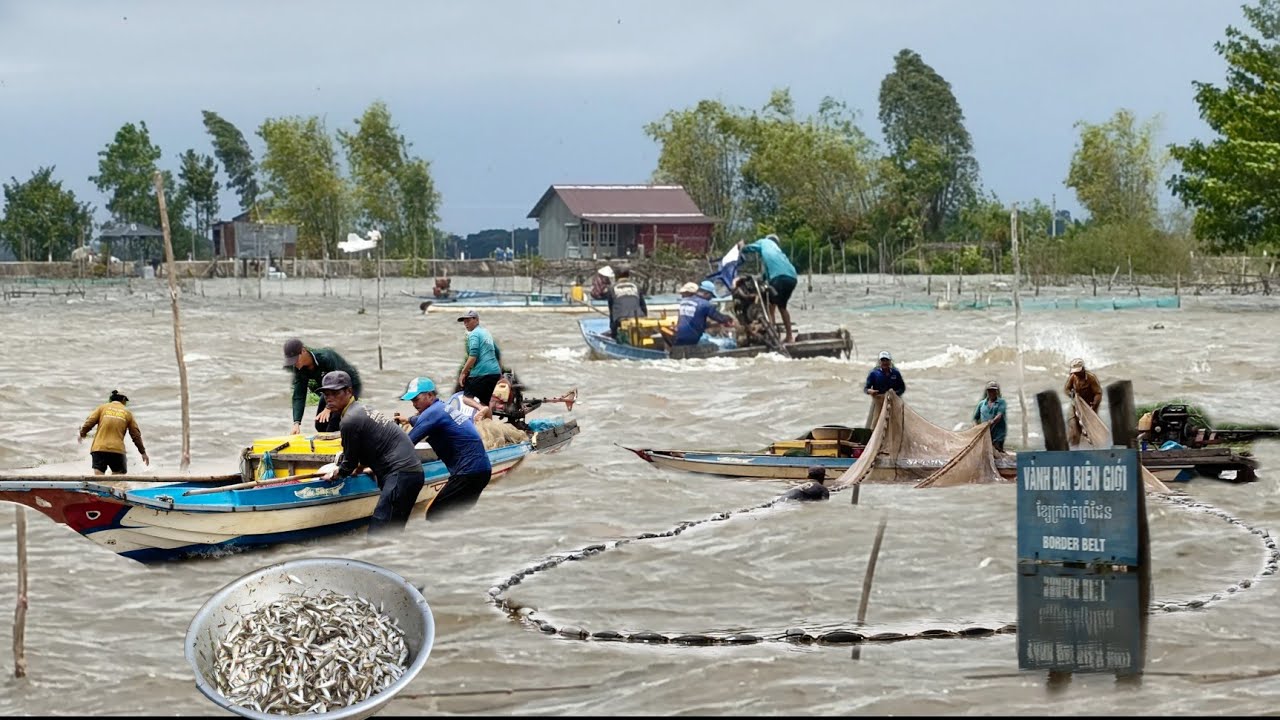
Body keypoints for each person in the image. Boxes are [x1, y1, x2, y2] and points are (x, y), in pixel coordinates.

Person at [316, 371, 424, 535]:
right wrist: (359, 468)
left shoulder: (349, 420)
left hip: (400, 474)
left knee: (378, 533)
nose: (329, 398)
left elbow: (349, 462)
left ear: (349, 392)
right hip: (409, 473)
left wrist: (335, 474)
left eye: (335, 393)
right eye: (326, 394)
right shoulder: (361, 409)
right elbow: (368, 449)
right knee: (392, 532)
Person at [399, 376, 494, 519]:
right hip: (483, 470)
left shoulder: (433, 413)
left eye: (416, 399)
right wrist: (408, 419)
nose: (413, 404)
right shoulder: (443, 408)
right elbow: (423, 421)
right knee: (458, 516)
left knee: (433, 515)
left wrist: (374, 464)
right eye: (412, 400)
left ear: (430, 395)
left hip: (467, 474)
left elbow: (407, 444)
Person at [284, 338, 362, 435]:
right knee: (320, 425)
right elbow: (299, 395)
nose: (294, 363)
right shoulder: (299, 369)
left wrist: (328, 408)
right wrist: (296, 423)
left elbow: (341, 384)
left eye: (296, 359)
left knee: (333, 426)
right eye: (291, 361)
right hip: (329, 392)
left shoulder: (326, 357)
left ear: (303, 350)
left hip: (347, 389)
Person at [738, 234, 799, 343]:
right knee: (782, 307)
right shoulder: (778, 252)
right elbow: (766, 274)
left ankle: (773, 336)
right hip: (792, 277)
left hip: (779, 277)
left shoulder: (764, 242)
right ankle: (789, 337)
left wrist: (742, 246)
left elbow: (750, 248)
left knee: (770, 306)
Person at [78, 390, 149, 475]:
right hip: (117, 451)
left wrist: (82, 434)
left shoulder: (102, 408)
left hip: (99, 449)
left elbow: (89, 423)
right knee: (119, 481)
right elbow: (135, 435)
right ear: (123, 399)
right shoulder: (127, 413)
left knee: (99, 479)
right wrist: (143, 452)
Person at [457, 309, 504, 404]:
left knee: (466, 398)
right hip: (494, 373)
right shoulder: (486, 333)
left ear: (477, 320)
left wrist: (463, 372)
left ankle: (480, 410)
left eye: (468, 320)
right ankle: (487, 417)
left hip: (482, 373)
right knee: (485, 403)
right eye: (464, 322)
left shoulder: (473, 334)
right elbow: (497, 352)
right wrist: (499, 371)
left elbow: (473, 356)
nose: (466, 324)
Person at [670, 280, 735, 346]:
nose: (710, 299)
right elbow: (719, 317)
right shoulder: (704, 304)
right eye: (711, 296)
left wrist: (712, 324)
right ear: (706, 293)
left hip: (679, 337)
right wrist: (728, 319)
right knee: (728, 344)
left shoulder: (684, 301)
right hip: (693, 338)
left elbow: (692, 322)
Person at [1064, 358, 1103, 446]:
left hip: (1089, 406)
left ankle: (1091, 446)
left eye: (1078, 372)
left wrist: (1094, 404)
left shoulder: (1091, 378)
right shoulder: (1073, 377)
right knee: (1073, 427)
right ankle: (1073, 447)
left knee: (1090, 430)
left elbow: (1098, 393)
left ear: (1083, 369)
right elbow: (1067, 389)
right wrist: (1071, 394)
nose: (1076, 374)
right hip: (1076, 404)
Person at [606, 265, 647, 341]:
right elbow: (643, 307)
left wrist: (613, 332)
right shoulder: (636, 286)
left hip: (620, 320)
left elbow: (612, 312)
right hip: (639, 318)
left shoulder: (611, 288)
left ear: (616, 276)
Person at [973, 381, 1009, 453]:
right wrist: (977, 428)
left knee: (997, 451)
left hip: (998, 435)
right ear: (987, 392)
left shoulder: (1001, 402)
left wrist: (990, 423)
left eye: (993, 390)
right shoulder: (981, 404)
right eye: (990, 390)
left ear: (997, 392)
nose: (992, 393)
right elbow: (975, 418)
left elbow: (999, 416)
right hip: (986, 435)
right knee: (986, 452)